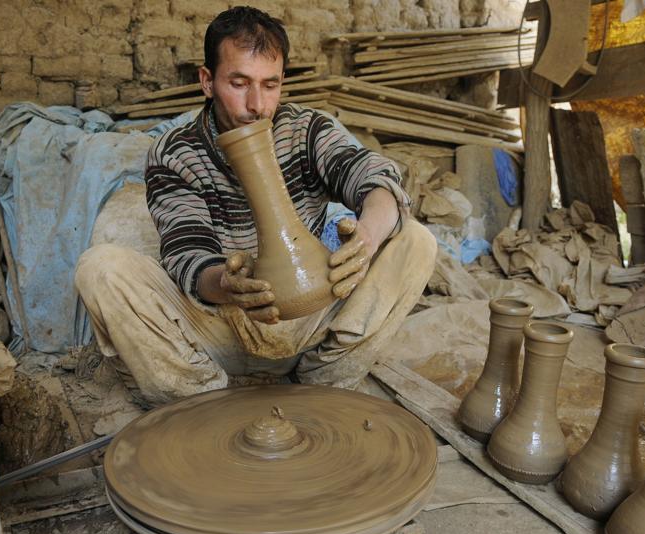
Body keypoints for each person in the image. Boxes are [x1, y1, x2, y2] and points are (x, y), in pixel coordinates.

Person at [75, 6, 436, 407]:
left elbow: (373, 177)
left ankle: (324, 384)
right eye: (239, 83)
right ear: (207, 81)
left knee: (416, 241)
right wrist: (227, 284)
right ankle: (203, 401)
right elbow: (187, 255)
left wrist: (367, 236)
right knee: (100, 267)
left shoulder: (306, 130)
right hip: (218, 327)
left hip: (305, 318)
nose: (257, 105)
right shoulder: (176, 152)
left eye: (270, 85)